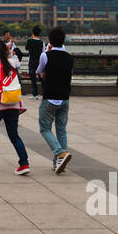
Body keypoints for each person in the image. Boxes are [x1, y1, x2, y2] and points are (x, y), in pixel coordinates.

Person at [0, 38, 29, 174]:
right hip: (13, 104)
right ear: (6, 49)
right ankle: (24, 163)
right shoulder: (13, 62)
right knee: (14, 135)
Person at [36, 26, 74, 173]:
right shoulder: (70, 58)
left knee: (45, 128)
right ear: (63, 40)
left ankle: (60, 153)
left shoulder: (45, 56)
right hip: (65, 98)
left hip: (50, 97)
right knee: (61, 129)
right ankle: (58, 162)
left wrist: (45, 75)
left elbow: (39, 71)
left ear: (49, 41)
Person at [25, 26, 44, 99]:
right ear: (39, 33)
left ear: (32, 32)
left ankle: (35, 94)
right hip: (39, 62)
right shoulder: (41, 42)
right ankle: (45, 93)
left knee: (33, 78)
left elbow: (26, 48)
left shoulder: (29, 41)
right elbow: (43, 52)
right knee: (42, 78)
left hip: (31, 61)